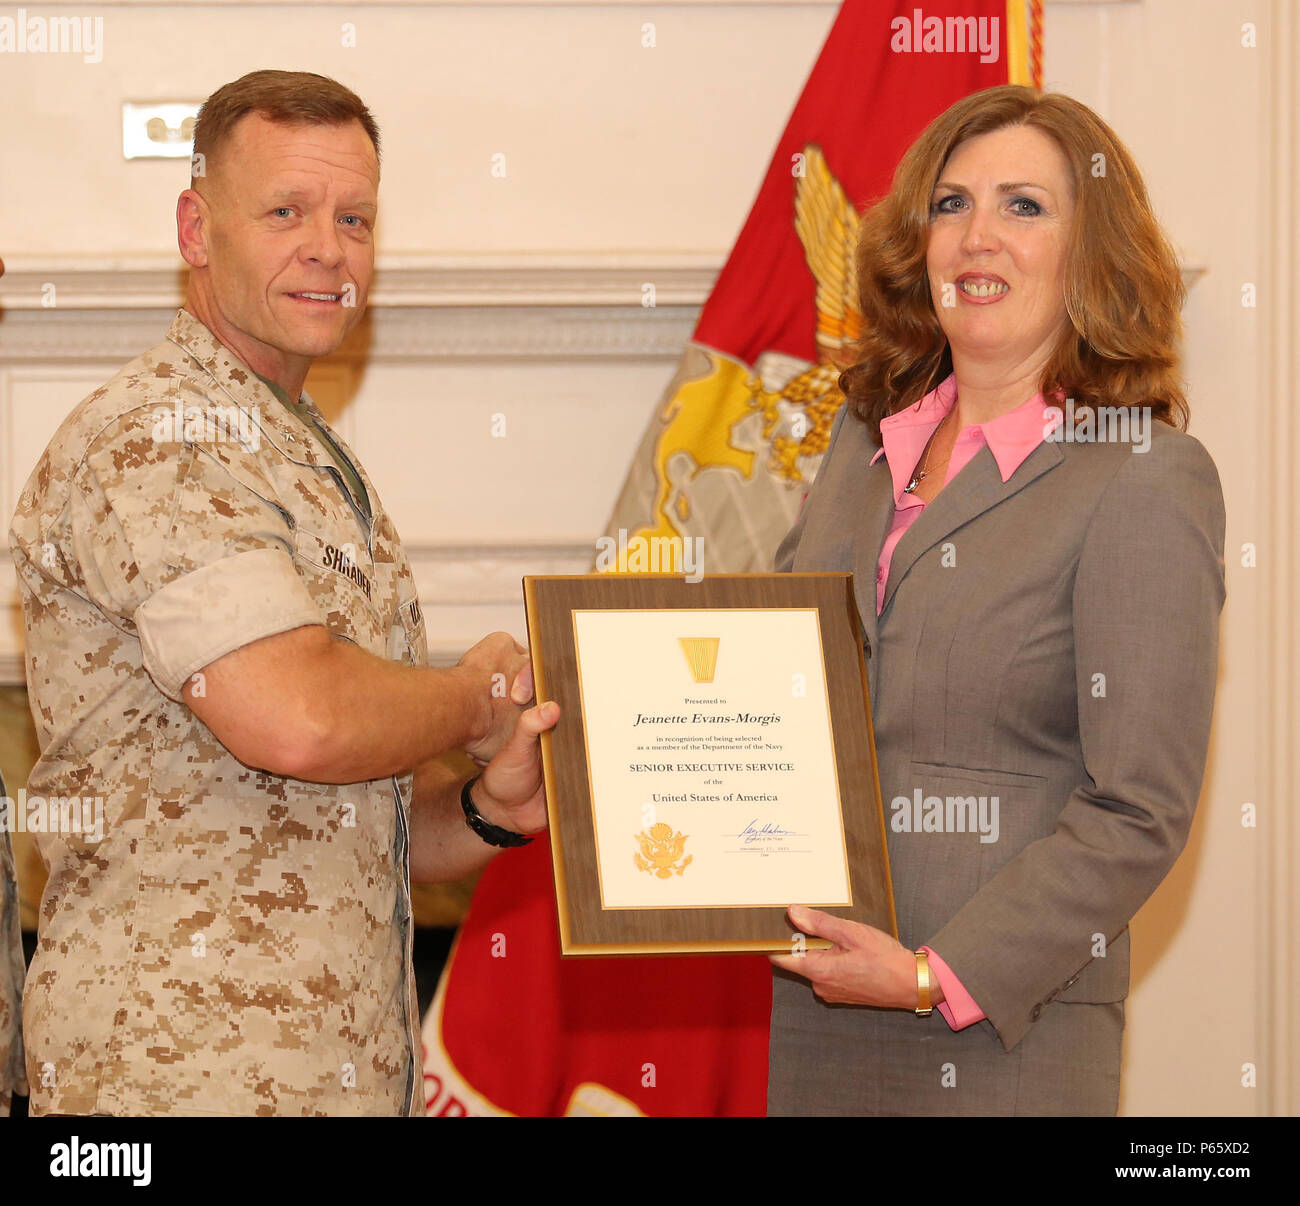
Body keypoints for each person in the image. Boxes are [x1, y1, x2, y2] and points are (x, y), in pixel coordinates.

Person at [8, 71, 557, 1117]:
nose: (330, 249)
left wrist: (489, 809)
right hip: (171, 1082)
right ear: (195, 229)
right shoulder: (162, 438)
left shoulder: (301, 458)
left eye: (355, 218)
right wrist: (476, 701)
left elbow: (347, 814)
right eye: (285, 213)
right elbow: (300, 722)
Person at [767, 85, 1225, 1115]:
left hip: (996, 1039)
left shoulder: (1143, 476)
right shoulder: (857, 444)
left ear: (1091, 252)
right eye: (950, 204)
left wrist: (936, 975)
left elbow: (1137, 809)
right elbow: (773, 680)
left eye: (1024, 206)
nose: (977, 237)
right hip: (819, 1005)